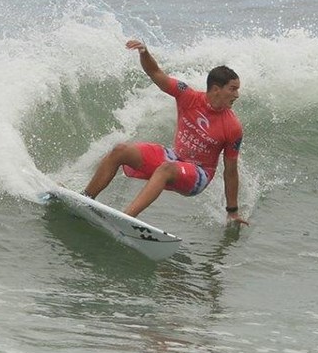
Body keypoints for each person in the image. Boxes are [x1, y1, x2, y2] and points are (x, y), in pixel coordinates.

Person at [84, 39, 248, 224]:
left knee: (165, 169)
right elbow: (155, 73)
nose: (237, 95)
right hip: (173, 157)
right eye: (233, 89)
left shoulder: (232, 126)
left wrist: (232, 210)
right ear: (216, 89)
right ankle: (85, 199)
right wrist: (144, 52)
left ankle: (126, 219)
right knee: (120, 150)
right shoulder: (188, 97)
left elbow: (231, 171)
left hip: (199, 174)